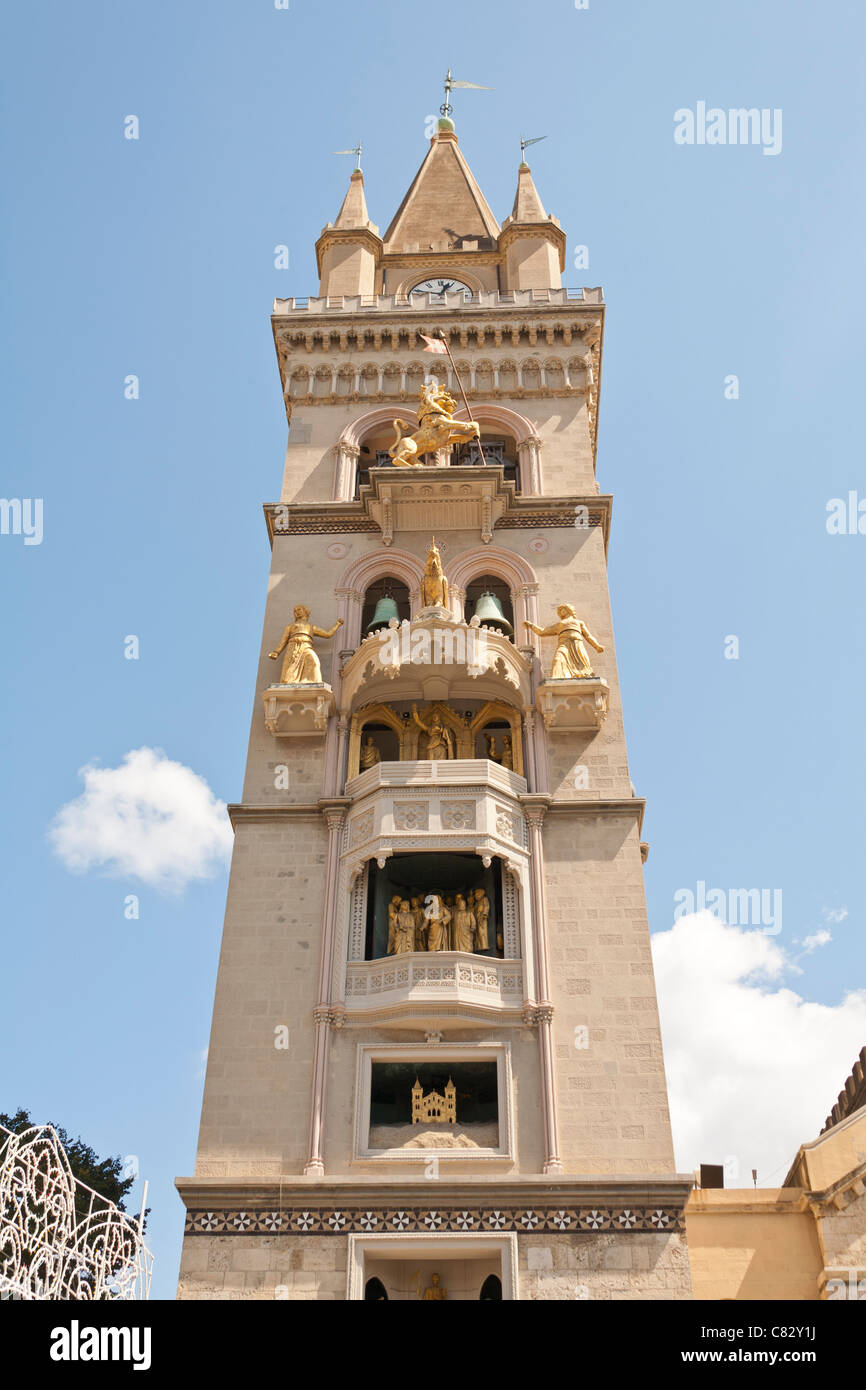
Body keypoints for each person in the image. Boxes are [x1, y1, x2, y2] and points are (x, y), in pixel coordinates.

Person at [523, 604, 603, 679]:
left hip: (577, 644)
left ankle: (583, 675)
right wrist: (531, 625)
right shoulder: (559, 624)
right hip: (563, 644)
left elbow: (588, 636)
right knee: (557, 659)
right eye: (560, 610)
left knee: (582, 664)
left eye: (562, 609)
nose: (560, 611)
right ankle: (556, 678)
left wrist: (597, 646)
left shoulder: (579, 623)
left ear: (569, 610)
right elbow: (542, 632)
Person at [268, 605, 343, 684]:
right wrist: (276, 652)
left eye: (299, 610)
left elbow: (328, 634)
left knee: (314, 662)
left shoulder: (311, 627)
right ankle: (290, 682)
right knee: (291, 667)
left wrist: (337, 625)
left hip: (306, 646)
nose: (297, 612)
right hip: (293, 647)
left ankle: (312, 681)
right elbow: (283, 641)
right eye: (295, 611)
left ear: (305, 612)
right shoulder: (290, 627)